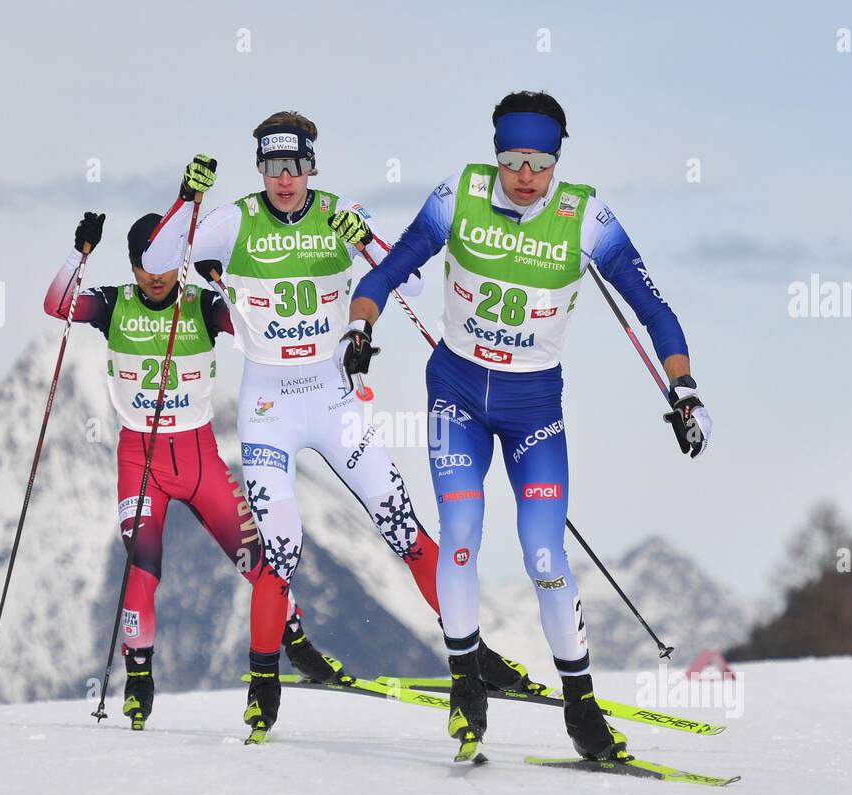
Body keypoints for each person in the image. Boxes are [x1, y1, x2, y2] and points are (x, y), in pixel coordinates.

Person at [144, 113, 537, 738]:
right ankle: (264, 683)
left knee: (402, 526)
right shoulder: (236, 218)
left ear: (312, 166)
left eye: (295, 166)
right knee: (282, 549)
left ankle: (474, 654)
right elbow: (156, 255)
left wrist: (367, 241)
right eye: (273, 167)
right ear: (261, 170)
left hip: (333, 402)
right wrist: (188, 200)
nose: (284, 180)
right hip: (268, 408)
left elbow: (400, 272)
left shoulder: (337, 212)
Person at [348, 90, 713, 759]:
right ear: (495, 155)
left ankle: (581, 708)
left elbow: (654, 311)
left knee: (544, 555)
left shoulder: (586, 217)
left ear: (557, 161)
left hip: (534, 410)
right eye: (513, 159)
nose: (525, 175)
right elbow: (386, 274)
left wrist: (683, 388)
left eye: (539, 163)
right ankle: (466, 690)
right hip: (456, 394)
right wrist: (358, 329)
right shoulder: (456, 196)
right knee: (459, 536)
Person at [42, 198, 346, 732]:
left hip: (201, 456)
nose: (156, 276)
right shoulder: (113, 304)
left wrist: (225, 281)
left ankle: (294, 641)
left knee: (261, 561)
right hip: (141, 461)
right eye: (145, 265)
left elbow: (259, 330)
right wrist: (77, 255)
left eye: (165, 264)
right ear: (132, 265)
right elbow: (57, 306)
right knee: (143, 568)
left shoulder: (201, 305)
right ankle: (139, 681)